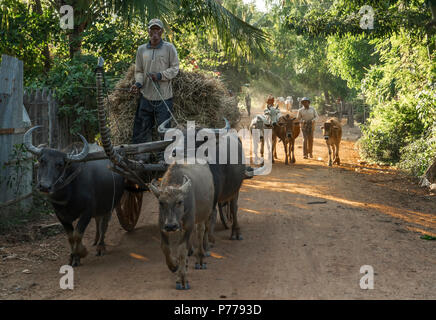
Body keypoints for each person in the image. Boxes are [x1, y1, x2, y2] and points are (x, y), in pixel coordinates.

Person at [130, 18, 179, 161]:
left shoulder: (169, 48)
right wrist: (138, 84)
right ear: (148, 31)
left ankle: (162, 159)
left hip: (164, 97)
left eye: (158, 30)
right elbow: (139, 70)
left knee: (163, 131)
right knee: (143, 129)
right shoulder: (142, 50)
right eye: (152, 30)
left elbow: (175, 68)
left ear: (162, 32)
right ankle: (142, 158)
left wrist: (160, 75)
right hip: (146, 97)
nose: (155, 33)